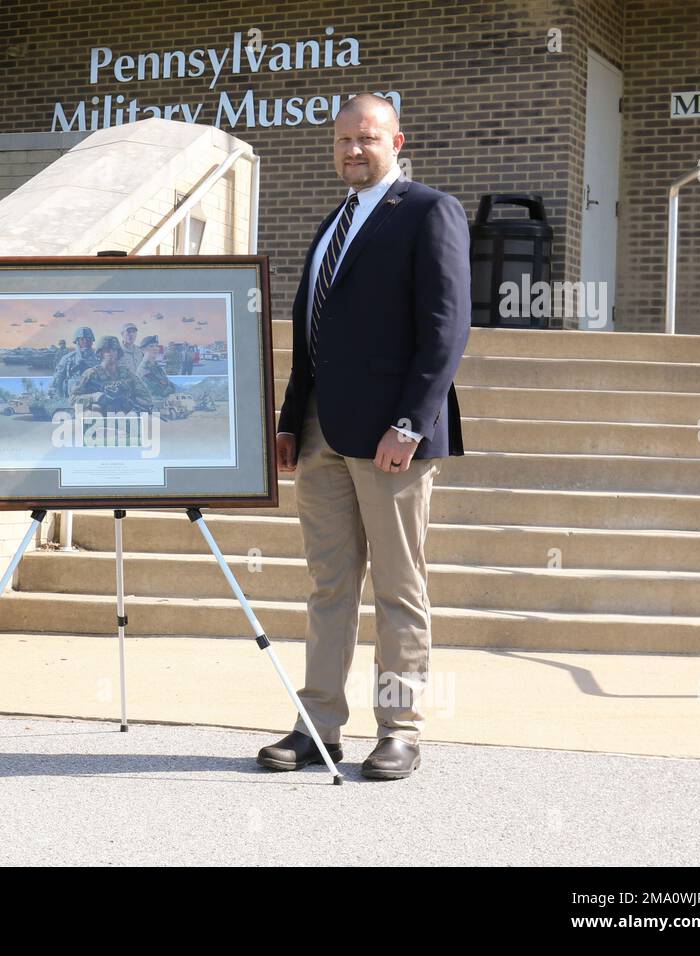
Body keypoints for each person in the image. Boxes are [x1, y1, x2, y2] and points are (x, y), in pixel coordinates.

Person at [260, 93, 470, 781]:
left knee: (399, 588)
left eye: (368, 138)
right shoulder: (332, 223)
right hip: (322, 431)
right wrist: (292, 418)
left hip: (391, 438)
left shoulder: (427, 211)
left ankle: (400, 728)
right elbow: (313, 333)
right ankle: (316, 723)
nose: (354, 149)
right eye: (344, 138)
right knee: (329, 585)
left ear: (397, 141)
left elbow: (445, 329)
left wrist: (410, 422)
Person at [71, 335, 152, 413]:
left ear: (118, 352)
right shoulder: (91, 374)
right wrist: (94, 397)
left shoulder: (127, 373)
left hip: (124, 418)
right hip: (98, 419)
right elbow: (73, 399)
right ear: (100, 353)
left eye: (114, 350)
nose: (111, 353)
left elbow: (147, 398)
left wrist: (128, 399)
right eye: (107, 350)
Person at [50, 326, 98, 398]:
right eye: (82, 339)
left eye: (88, 339)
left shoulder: (99, 359)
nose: (85, 341)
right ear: (77, 341)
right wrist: (60, 397)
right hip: (73, 397)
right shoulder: (68, 358)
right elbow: (58, 379)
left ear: (92, 341)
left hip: (95, 398)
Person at [135, 334, 176, 401]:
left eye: (156, 346)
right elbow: (155, 391)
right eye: (151, 346)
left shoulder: (157, 367)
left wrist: (168, 388)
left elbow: (170, 385)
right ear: (143, 350)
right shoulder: (143, 369)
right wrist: (168, 389)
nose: (155, 348)